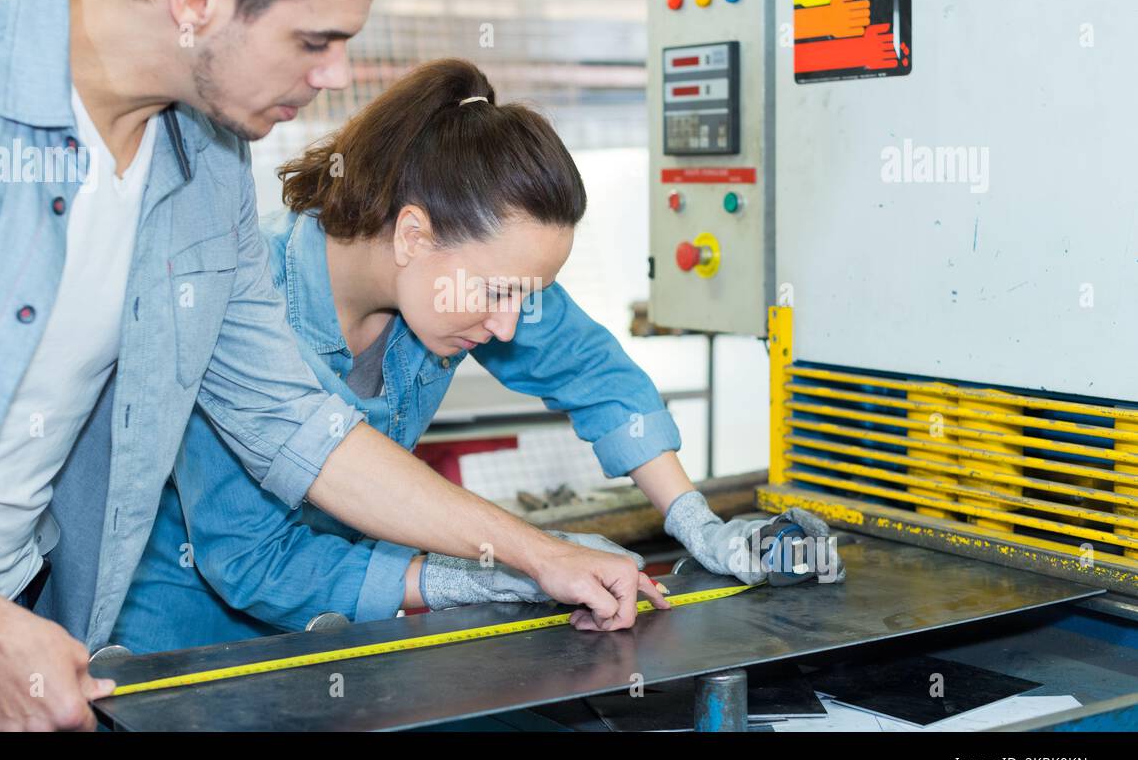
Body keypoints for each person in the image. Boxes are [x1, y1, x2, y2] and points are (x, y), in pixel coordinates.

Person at [0, 0, 666, 733]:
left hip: (21, 647)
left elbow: (295, 428)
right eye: (315, 40)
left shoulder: (205, 171)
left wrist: (537, 556)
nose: (336, 75)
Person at [112, 59, 844, 654]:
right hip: (185, 647)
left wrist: (697, 524)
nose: (505, 324)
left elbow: (591, 370)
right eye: (496, 293)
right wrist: (498, 571)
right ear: (412, 236)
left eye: (521, 297)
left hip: (341, 633)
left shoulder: (468, 278)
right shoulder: (248, 301)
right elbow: (257, 563)